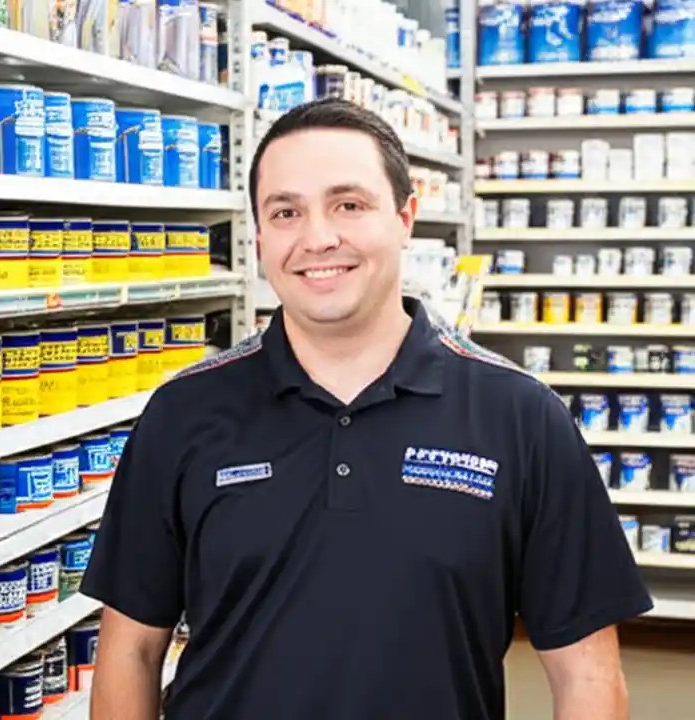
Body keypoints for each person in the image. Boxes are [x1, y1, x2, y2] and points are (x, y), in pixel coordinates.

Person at [80, 97, 652, 720]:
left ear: (406, 217)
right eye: (286, 212)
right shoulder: (182, 413)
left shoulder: (520, 415)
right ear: (260, 235)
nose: (318, 238)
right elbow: (131, 651)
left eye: (348, 204)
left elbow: (587, 676)